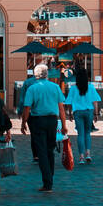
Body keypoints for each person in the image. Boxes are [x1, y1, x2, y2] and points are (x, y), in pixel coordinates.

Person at [21, 62, 68, 192]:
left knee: (41, 151)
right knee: (50, 150)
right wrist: (64, 125)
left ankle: (47, 182)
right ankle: (49, 178)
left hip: (37, 121)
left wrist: (23, 122)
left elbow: (27, 107)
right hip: (52, 121)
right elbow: (61, 108)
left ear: (36, 75)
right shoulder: (55, 87)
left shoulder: (32, 88)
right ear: (47, 74)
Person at [66, 66, 100, 164]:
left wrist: (70, 113)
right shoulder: (91, 87)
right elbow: (95, 102)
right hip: (89, 111)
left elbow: (68, 102)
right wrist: (96, 113)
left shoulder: (73, 88)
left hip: (78, 112)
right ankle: (88, 154)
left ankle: (81, 157)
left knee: (80, 134)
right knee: (87, 133)